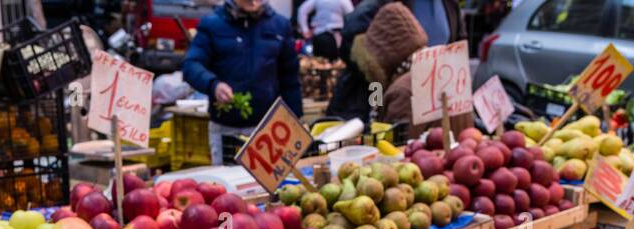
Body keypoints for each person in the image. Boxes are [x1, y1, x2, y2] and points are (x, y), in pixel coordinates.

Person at [182, 1, 304, 163]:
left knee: (265, 187)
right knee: (225, 184)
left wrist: (296, 120)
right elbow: (191, 65)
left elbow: (289, 78)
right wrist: (214, 85)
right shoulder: (212, 24)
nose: (253, 2)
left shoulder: (279, 25)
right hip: (225, 128)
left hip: (268, 130)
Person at [328, 0, 462, 122]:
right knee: (375, 127)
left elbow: (458, 45)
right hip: (374, 88)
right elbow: (351, 41)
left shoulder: (450, 5)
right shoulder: (379, 6)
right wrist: (377, 74)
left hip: (429, 95)